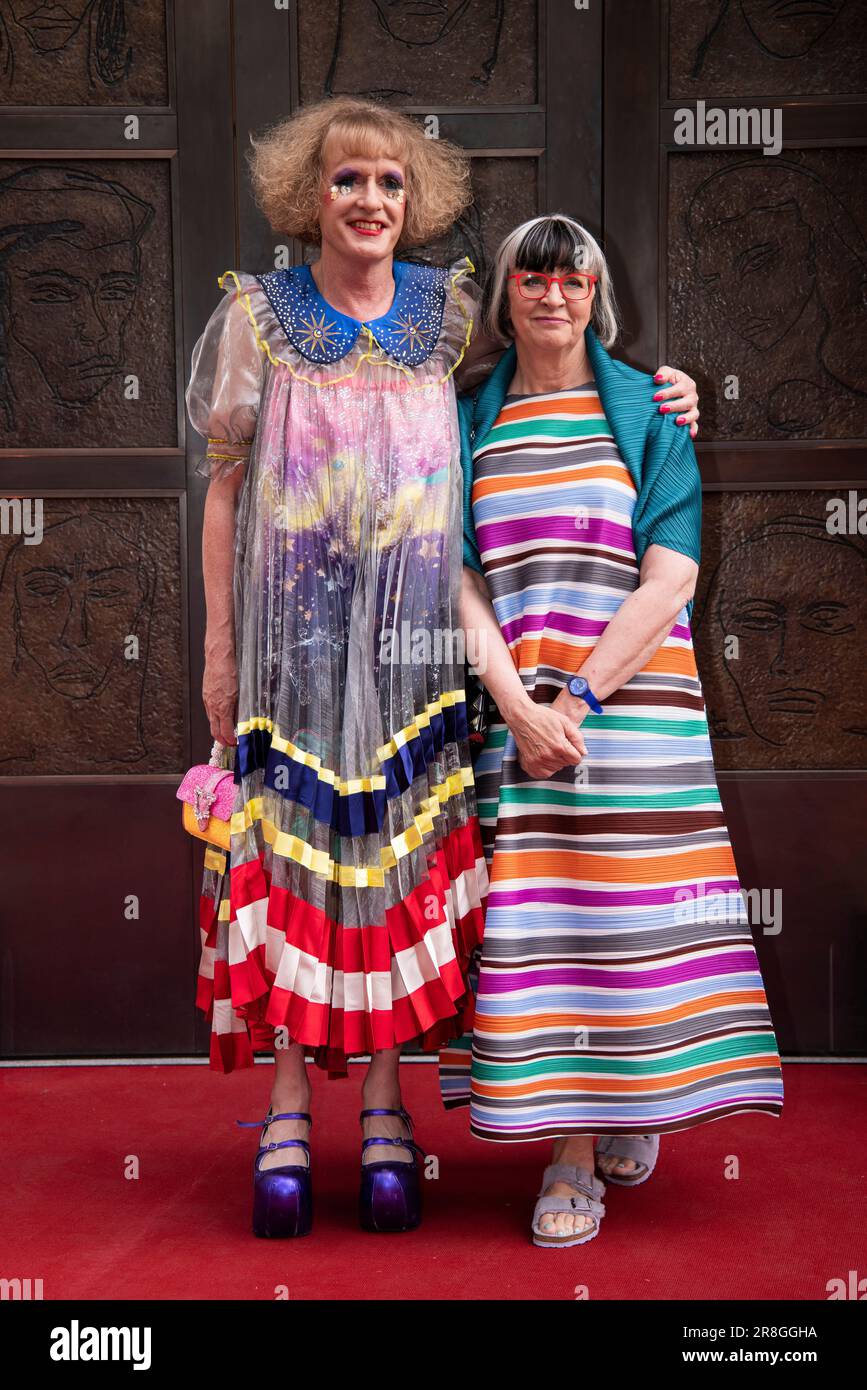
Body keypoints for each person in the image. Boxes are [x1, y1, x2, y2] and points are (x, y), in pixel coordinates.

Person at [185, 98, 702, 1238]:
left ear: (414, 200)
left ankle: (383, 1104)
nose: (371, 201)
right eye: (347, 181)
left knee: (388, 876)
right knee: (300, 866)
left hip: (422, 659)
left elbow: (552, 360)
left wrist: (661, 396)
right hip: (297, 659)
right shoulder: (256, 319)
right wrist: (220, 651)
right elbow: (225, 490)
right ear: (306, 196)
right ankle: (284, 1107)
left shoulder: (451, 315)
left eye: (390, 183)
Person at [439, 213, 784, 1248]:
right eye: (533, 279)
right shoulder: (468, 415)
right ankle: (571, 1149)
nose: (554, 296)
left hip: (632, 716)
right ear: (506, 296)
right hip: (515, 711)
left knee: (632, 924)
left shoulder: (646, 405)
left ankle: (627, 1104)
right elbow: (454, 569)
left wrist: (575, 703)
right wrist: (515, 705)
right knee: (545, 928)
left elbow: (672, 571)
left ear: (598, 294)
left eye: (573, 280)